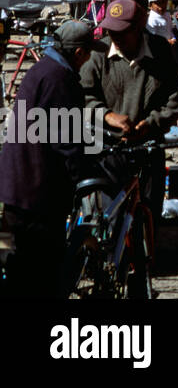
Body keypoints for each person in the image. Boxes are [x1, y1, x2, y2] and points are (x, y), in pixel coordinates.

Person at [0, 20, 102, 297]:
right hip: (36, 194)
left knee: (17, 266)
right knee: (39, 273)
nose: (89, 59)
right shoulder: (59, 78)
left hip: (16, 188)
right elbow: (66, 140)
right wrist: (86, 176)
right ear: (79, 52)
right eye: (89, 53)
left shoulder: (42, 69)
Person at [78, 0, 178, 220]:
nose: (115, 37)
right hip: (105, 148)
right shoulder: (98, 53)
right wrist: (107, 116)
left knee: (147, 213)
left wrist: (151, 123)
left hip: (147, 147)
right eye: (111, 31)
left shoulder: (160, 51)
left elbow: (174, 99)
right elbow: (83, 97)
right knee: (107, 215)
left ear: (138, 27)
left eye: (122, 31)